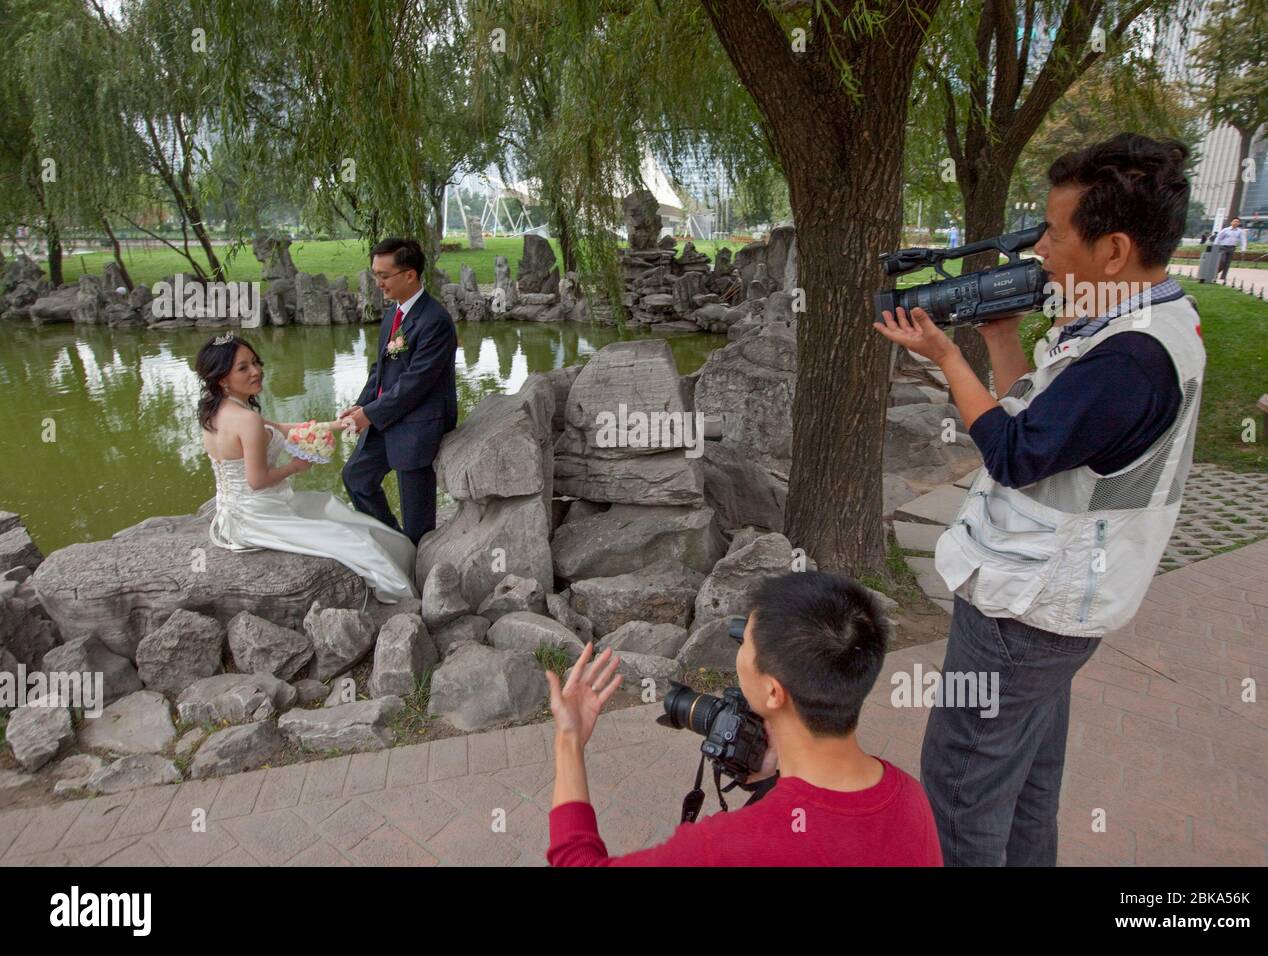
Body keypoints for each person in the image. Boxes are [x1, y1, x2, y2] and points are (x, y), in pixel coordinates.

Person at [873, 132, 1204, 866]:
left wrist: (947, 358)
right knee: (1022, 783)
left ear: (1113, 250)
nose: (1042, 253)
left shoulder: (1129, 359)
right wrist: (999, 339)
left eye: (1053, 235)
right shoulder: (1135, 326)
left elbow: (1016, 453)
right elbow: (1039, 421)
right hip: (1057, 607)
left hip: (1023, 612)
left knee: (960, 791)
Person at [545, 571, 944, 866]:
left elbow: (574, 860)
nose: (739, 653)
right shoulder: (911, 800)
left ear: (773, 692)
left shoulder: (728, 848)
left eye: (746, 644)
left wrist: (569, 740)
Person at [196, 333, 416, 603]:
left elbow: (280, 429)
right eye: (244, 368)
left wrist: (338, 425)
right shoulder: (246, 419)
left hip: (237, 512)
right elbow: (257, 480)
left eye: (255, 362)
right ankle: (404, 598)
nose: (256, 371)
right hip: (260, 517)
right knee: (354, 539)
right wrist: (295, 467)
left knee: (333, 508)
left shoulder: (217, 411)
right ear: (222, 379)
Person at [339, 238, 458, 547]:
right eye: (375, 274)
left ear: (409, 275)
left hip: (417, 425)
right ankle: (393, 542)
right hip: (384, 416)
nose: (377, 282)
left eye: (383, 275)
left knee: (417, 518)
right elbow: (380, 370)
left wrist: (369, 414)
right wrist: (360, 405)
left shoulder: (435, 321)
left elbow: (416, 383)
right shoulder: (394, 315)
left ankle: (418, 572)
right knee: (356, 477)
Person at [1213, 216, 1248, 280]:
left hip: (1232, 248)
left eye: (1237, 222)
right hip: (1223, 247)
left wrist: (1243, 249)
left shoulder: (1240, 231)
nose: (1235, 223)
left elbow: (1243, 240)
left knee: (1227, 263)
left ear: (1239, 223)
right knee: (1222, 261)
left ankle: (1223, 277)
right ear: (1231, 222)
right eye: (1234, 221)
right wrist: (1215, 246)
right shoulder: (1225, 230)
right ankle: (1215, 273)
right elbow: (1218, 238)